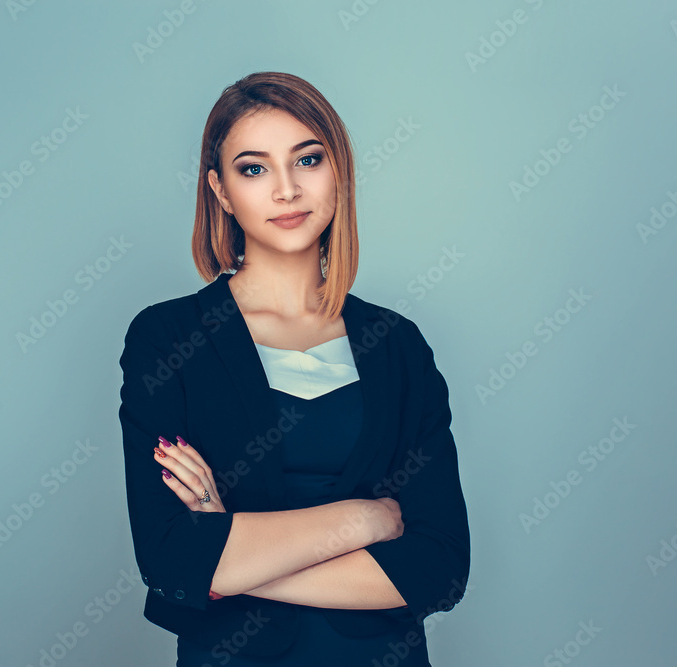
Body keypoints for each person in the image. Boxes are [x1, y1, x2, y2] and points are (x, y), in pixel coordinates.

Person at [119, 71, 470, 666]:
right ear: (221, 191)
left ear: (339, 173)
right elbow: (171, 557)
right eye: (253, 168)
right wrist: (365, 519)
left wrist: (229, 557)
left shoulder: (398, 346)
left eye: (307, 160)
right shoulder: (167, 338)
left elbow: (439, 568)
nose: (286, 189)